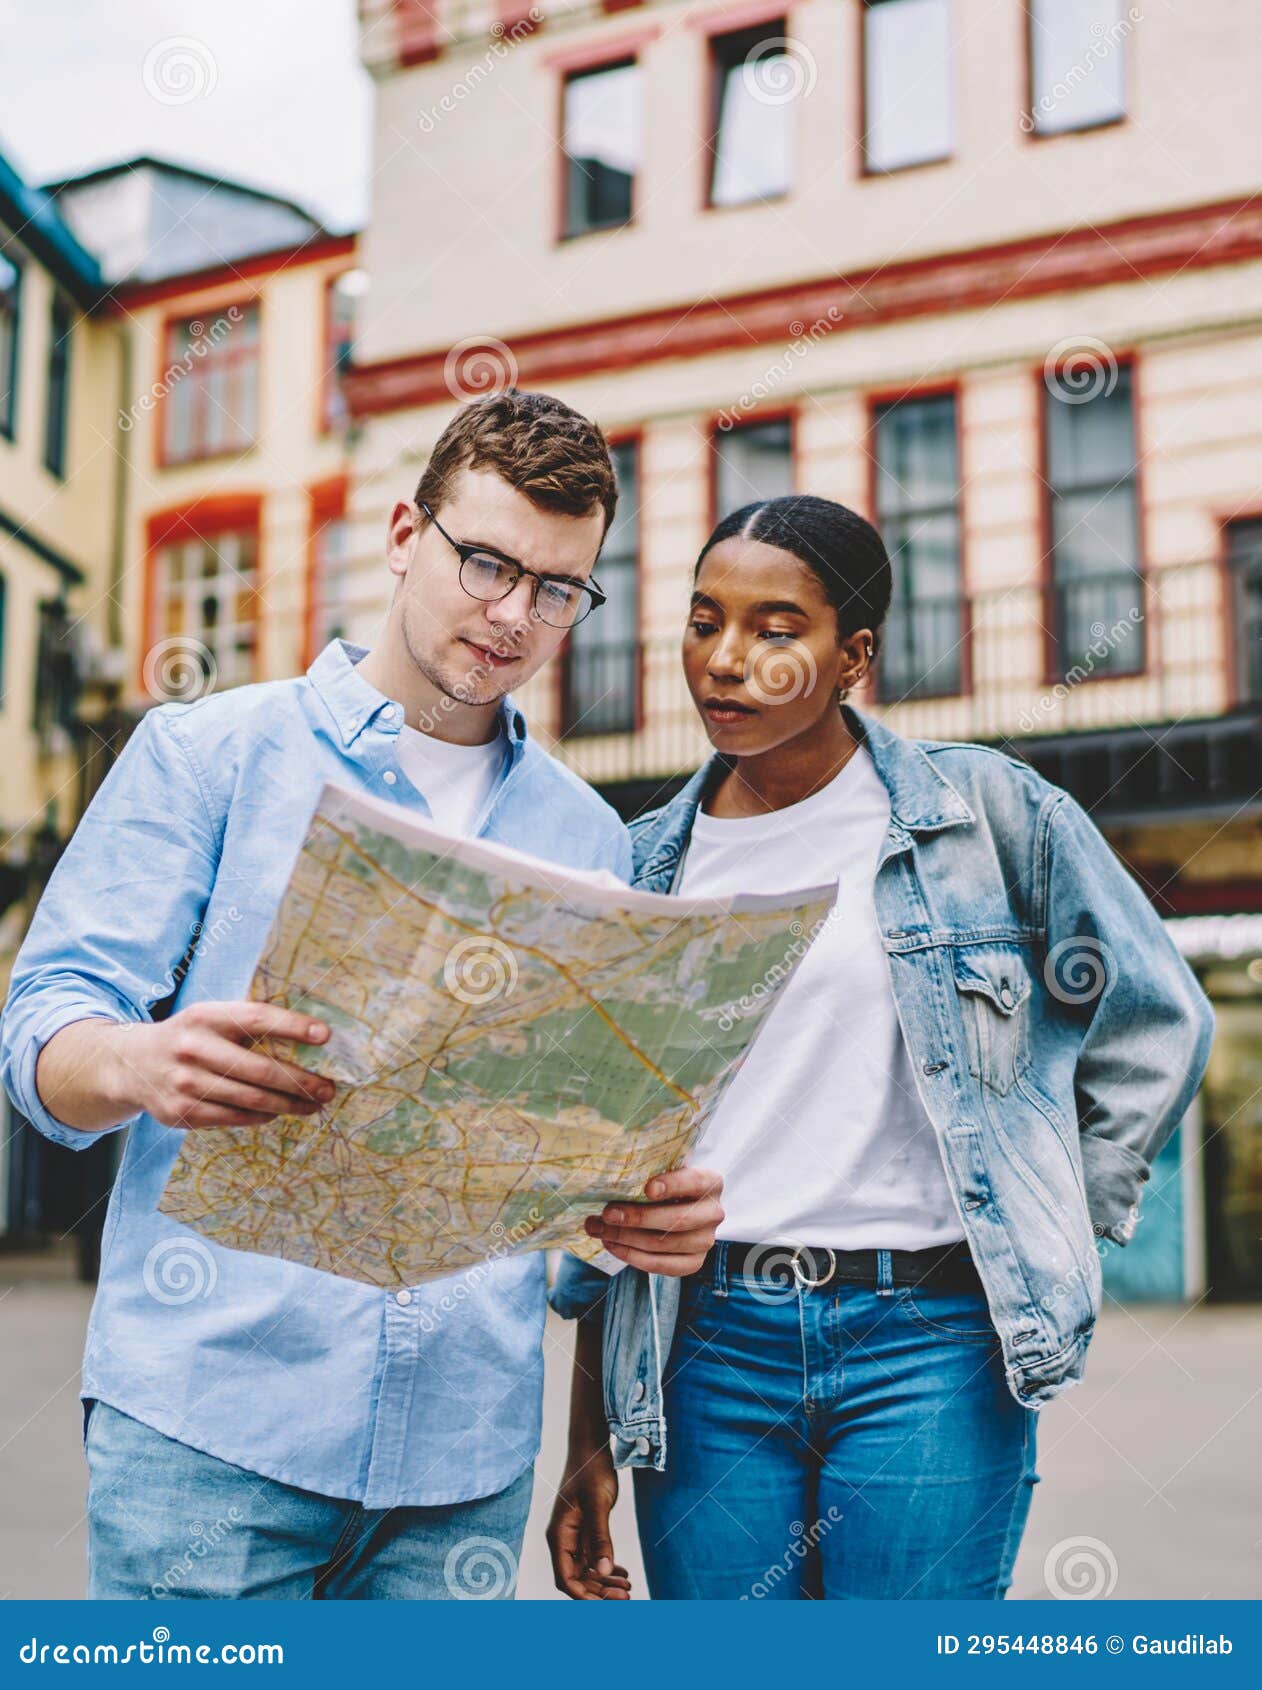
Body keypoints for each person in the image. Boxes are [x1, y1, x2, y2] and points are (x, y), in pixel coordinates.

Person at [0, 389, 723, 1601]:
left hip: (463, 1465)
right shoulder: (211, 754)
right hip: (208, 1432)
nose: (512, 616)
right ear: (403, 535)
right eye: (485, 562)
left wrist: (638, 1212)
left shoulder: (586, 836)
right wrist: (140, 1061)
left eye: (557, 588)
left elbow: (562, 1159)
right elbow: (41, 1035)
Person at [547, 493, 1214, 1601]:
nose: (723, 660)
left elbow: (1155, 1018)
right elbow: (603, 1181)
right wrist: (588, 1439)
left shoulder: (985, 813)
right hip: (707, 1351)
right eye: (703, 619)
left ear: (851, 652)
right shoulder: (641, 867)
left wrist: (1057, 1205)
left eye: (773, 629)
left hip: (931, 1345)